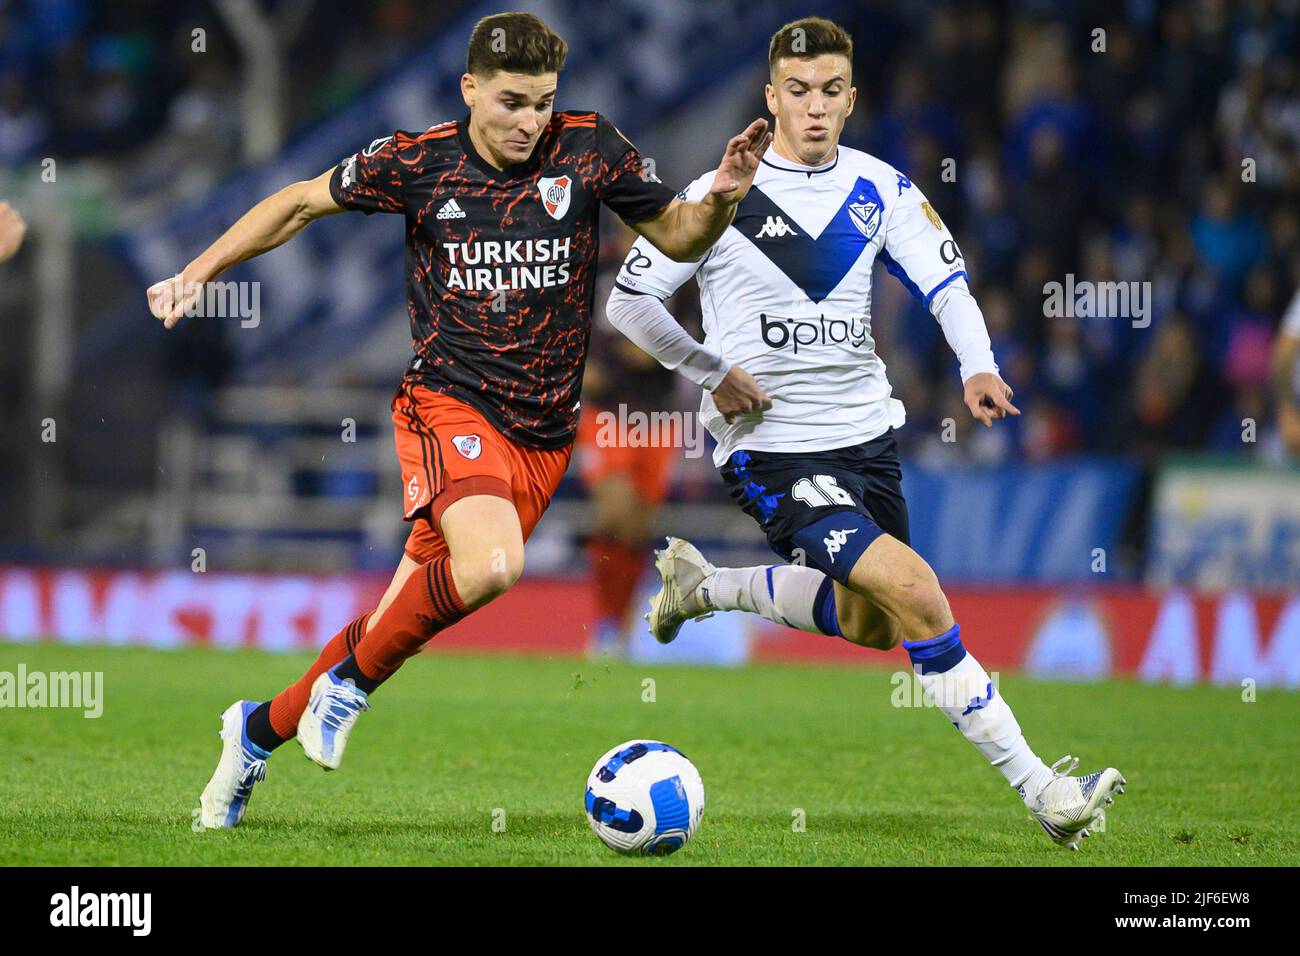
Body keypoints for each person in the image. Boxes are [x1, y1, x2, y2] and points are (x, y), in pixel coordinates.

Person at [151, 11, 771, 829]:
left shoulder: (590, 149)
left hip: (544, 437)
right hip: (449, 403)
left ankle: (257, 731)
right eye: (513, 102)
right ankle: (346, 689)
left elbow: (681, 233)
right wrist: (198, 271)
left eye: (544, 103)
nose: (530, 122)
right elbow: (300, 204)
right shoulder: (417, 160)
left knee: (390, 627)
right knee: (491, 567)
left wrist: (721, 197)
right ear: (470, 88)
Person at [604, 17, 1124, 849]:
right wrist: (709, 371)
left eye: (830, 92)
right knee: (918, 592)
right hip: (770, 447)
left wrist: (977, 368)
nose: (814, 108)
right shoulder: (718, 194)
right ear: (772, 99)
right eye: (798, 92)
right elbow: (627, 305)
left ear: (852, 98)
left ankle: (706, 588)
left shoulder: (880, 187)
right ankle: (1045, 791)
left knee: (877, 622)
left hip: (865, 441)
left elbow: (946, 283)